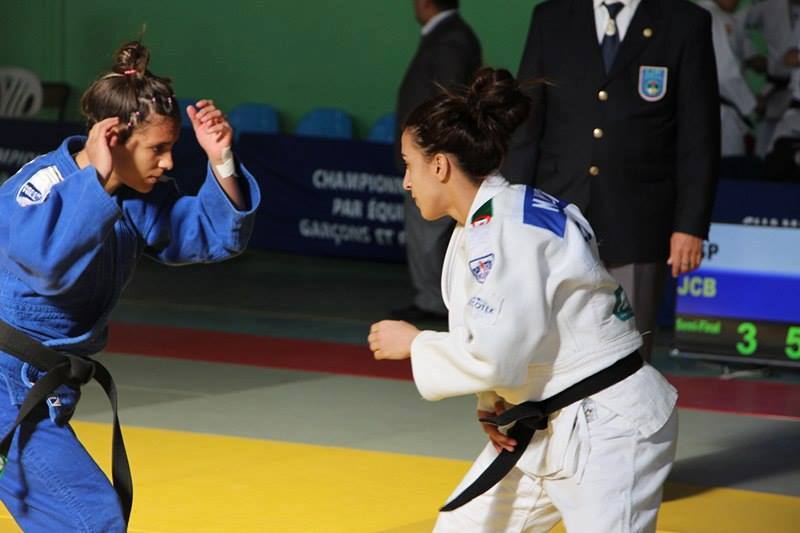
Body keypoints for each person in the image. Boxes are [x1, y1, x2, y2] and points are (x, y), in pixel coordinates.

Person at [368, 68, 677, 533]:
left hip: (609, 426)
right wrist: (492, 400)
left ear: (439, 165)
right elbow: (513, 328)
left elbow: (496, 353)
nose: (406, 182)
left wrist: (415, 344)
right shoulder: (501, 214)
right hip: (551, 419)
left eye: (409, 164)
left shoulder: (504, 231)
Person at [0, 40, 260, 532]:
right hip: (5, 385)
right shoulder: (38, 186)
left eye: (173, 149)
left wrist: (221, 160)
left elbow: (207, 234)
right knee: (91, 519)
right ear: (112, 139)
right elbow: (49, 265)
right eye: (157, 150)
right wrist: (94, 183)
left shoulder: (135, 199)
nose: (167, 164)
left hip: (34, 386)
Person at [502, 0, 721, 361]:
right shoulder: (553, 16)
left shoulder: (684, 22)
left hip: (638, 220)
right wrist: (511, 211)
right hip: (556, 215)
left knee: (628, 354)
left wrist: (690, 224)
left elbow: (699, 136)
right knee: (549, 350)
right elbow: (527, 124)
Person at [392, 0, 482, 323]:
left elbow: (447, 101)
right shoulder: (446, 35)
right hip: (428, 157)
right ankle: (432, 297)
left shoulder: (451, 38)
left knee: (432, 233)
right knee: (427, 234)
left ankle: (436, 300)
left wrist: (433, 153)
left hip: (434, 159)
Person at [699, 0, 759, 156]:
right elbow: (725, 74)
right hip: (720, 112)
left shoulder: (694, 14)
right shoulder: (716, 18)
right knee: (728, 170)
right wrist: (751, 104)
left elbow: (749, 54)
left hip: (697, 111)